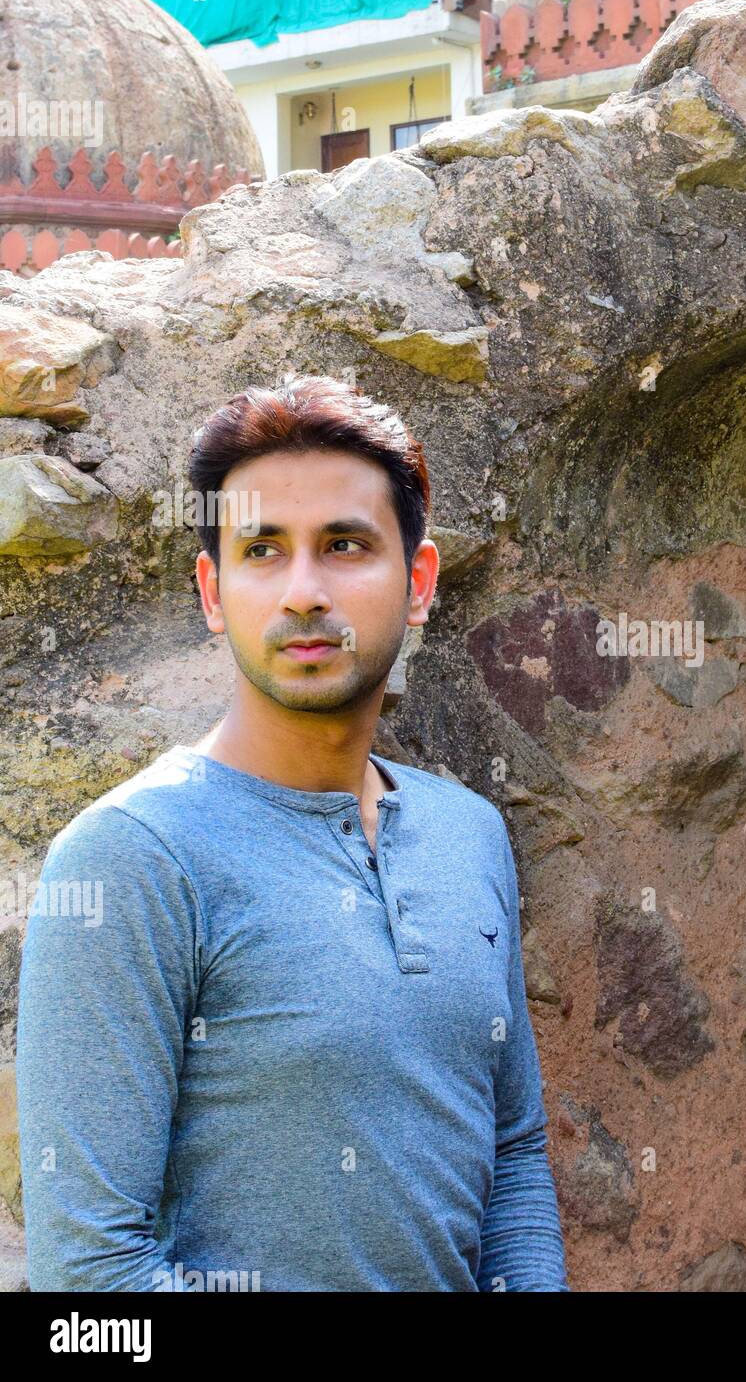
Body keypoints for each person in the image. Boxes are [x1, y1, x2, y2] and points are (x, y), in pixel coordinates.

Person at [16, 376, 569, 1291]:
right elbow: (91, 1284)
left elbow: (512, 1156)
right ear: (211, 590)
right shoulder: (133, 858)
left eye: (345, 545)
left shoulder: (466, 833)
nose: (304, 591)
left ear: (418, 581)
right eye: (263, 550)